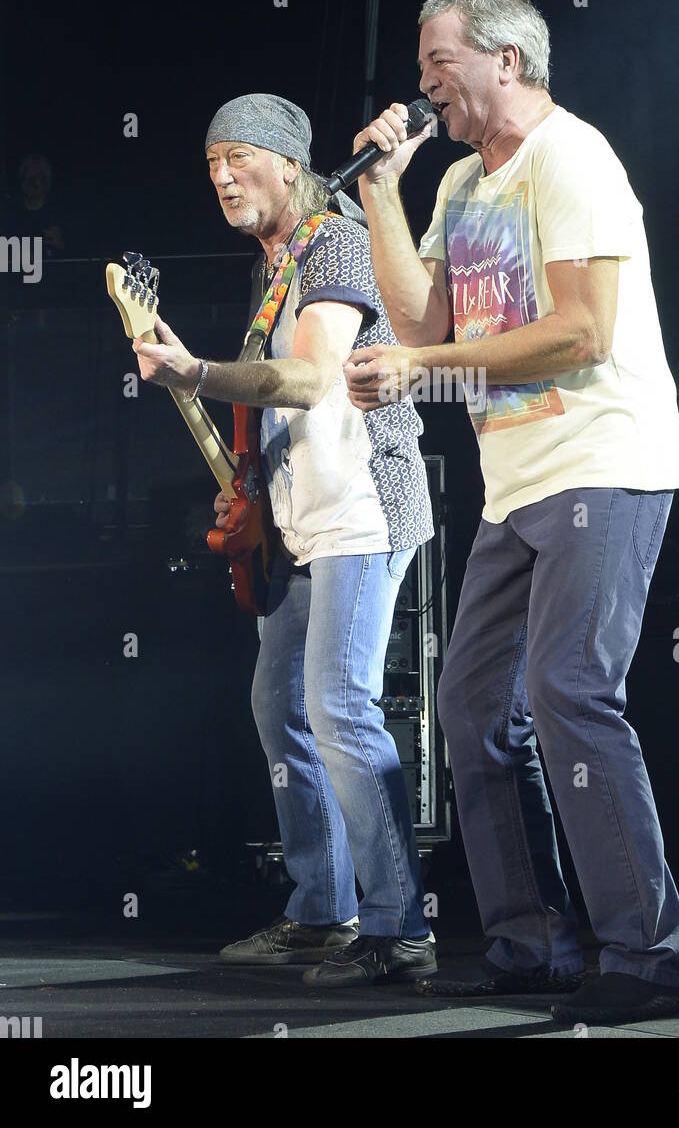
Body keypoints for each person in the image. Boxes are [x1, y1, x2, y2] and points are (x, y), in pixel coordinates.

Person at [343, 0, 679, 1026]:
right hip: (517, 482)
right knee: (470, 707)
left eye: (436, 62)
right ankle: (530, 942)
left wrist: (429, 365)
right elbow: (419, 324)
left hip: (603, 461)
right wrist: (379, 193)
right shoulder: (457, 185)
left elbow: (583, 329)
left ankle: (644, 949)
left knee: (570, 689)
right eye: (419, 69)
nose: (422, 86)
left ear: (507, 59)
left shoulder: (571, 157)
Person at [133, 93, 436, 988]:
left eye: (240, 158)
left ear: (290, 164)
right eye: (211, 164)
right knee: (280, 707)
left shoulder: (338, 243)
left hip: (363, 512)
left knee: (340, 706)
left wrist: (197, 369)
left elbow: (307, 381)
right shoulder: (276, 267)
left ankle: (398, 928)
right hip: (305, 526)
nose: (223, 177)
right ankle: (322, 910)